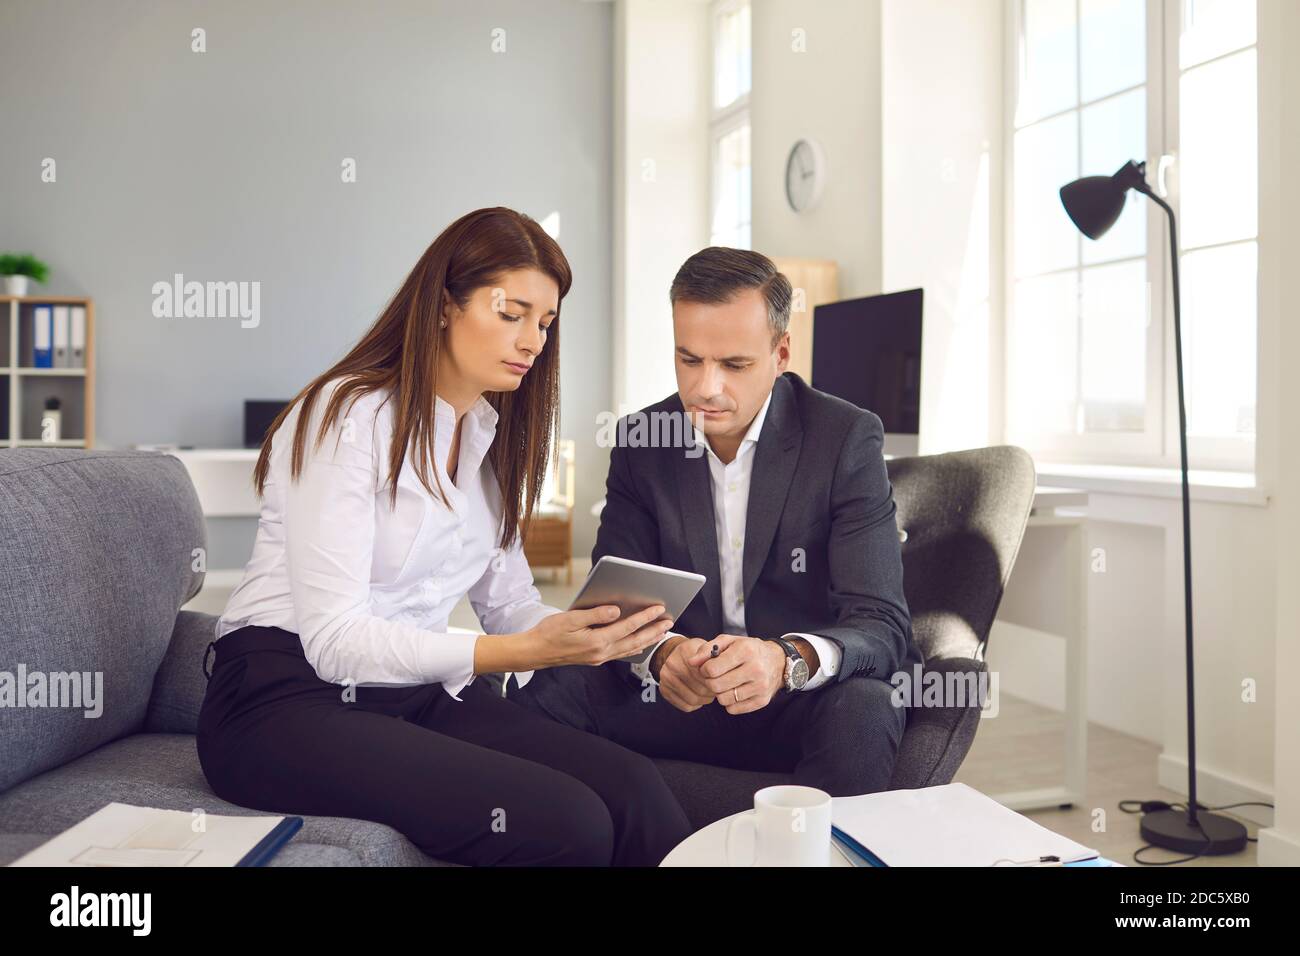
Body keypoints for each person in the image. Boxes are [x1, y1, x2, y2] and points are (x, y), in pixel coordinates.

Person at [197, 207, 693, 866]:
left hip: (413, 694)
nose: (533, 340)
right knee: (566, 821)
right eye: (511, 313)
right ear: (442, 306)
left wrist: (625, 636)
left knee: (636, 791)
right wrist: (516, 652)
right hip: (283, 701)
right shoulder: (348, 417)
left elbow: (511, 605)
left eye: (544, 323)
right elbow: (337, 643)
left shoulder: (489, 441)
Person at [511, 246, 921, 797]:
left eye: (734, 364)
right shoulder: (642, 440)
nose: (706, 388)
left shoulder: (844, 438)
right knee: (551, 686)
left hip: (797, 703)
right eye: (690, 359)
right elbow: (613, 608)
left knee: (867, 707)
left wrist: (783, 660)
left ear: (781, 354)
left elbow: (881, 625)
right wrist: (664, 655)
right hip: (681, 698)